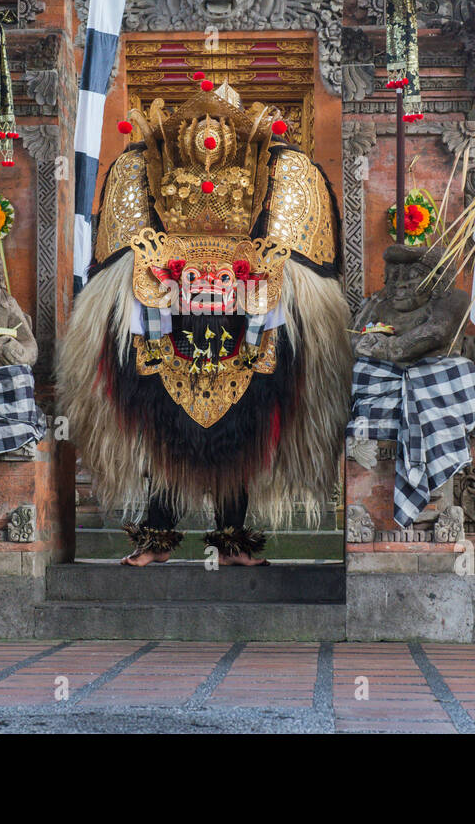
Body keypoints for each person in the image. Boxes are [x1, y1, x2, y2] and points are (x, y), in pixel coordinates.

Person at [59, 81, 350, 566]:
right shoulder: (136, 170)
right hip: (168, 321)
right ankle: (156, 536)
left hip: (245, 323)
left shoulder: (288, 175)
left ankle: (232, 537)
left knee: (240, 435)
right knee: (160, 431)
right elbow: (121, 263)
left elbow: (301, 266)